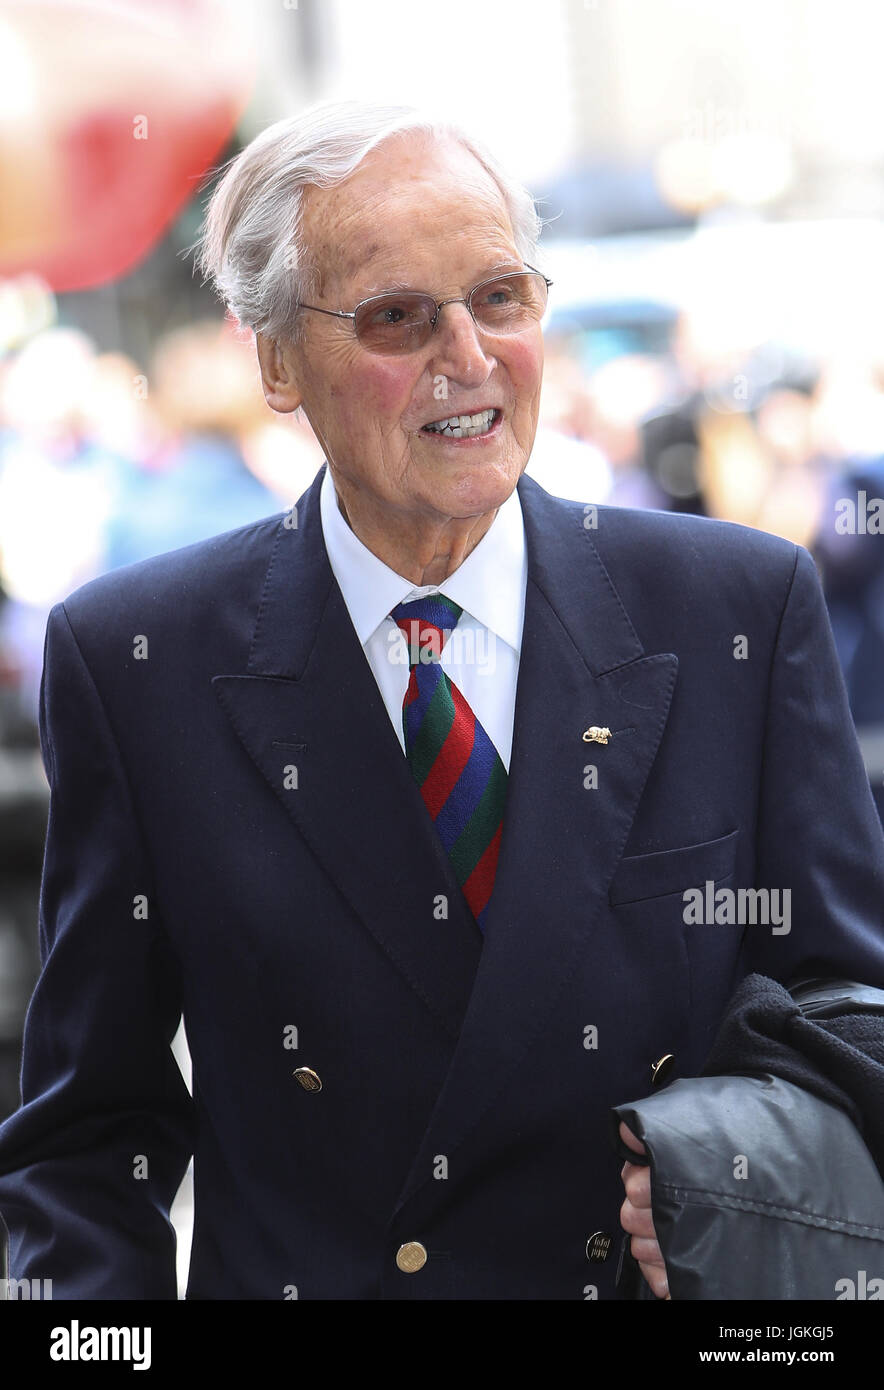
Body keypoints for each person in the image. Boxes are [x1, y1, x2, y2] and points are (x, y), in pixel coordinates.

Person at [1, 99, 883, 1301]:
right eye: (396, 317)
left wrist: (731, 1165)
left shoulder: (732, 607)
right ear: (274, 360)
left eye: (500, 298)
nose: (466, 358)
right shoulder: (136, 658)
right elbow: (89, 1135)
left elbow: (846, 1003)